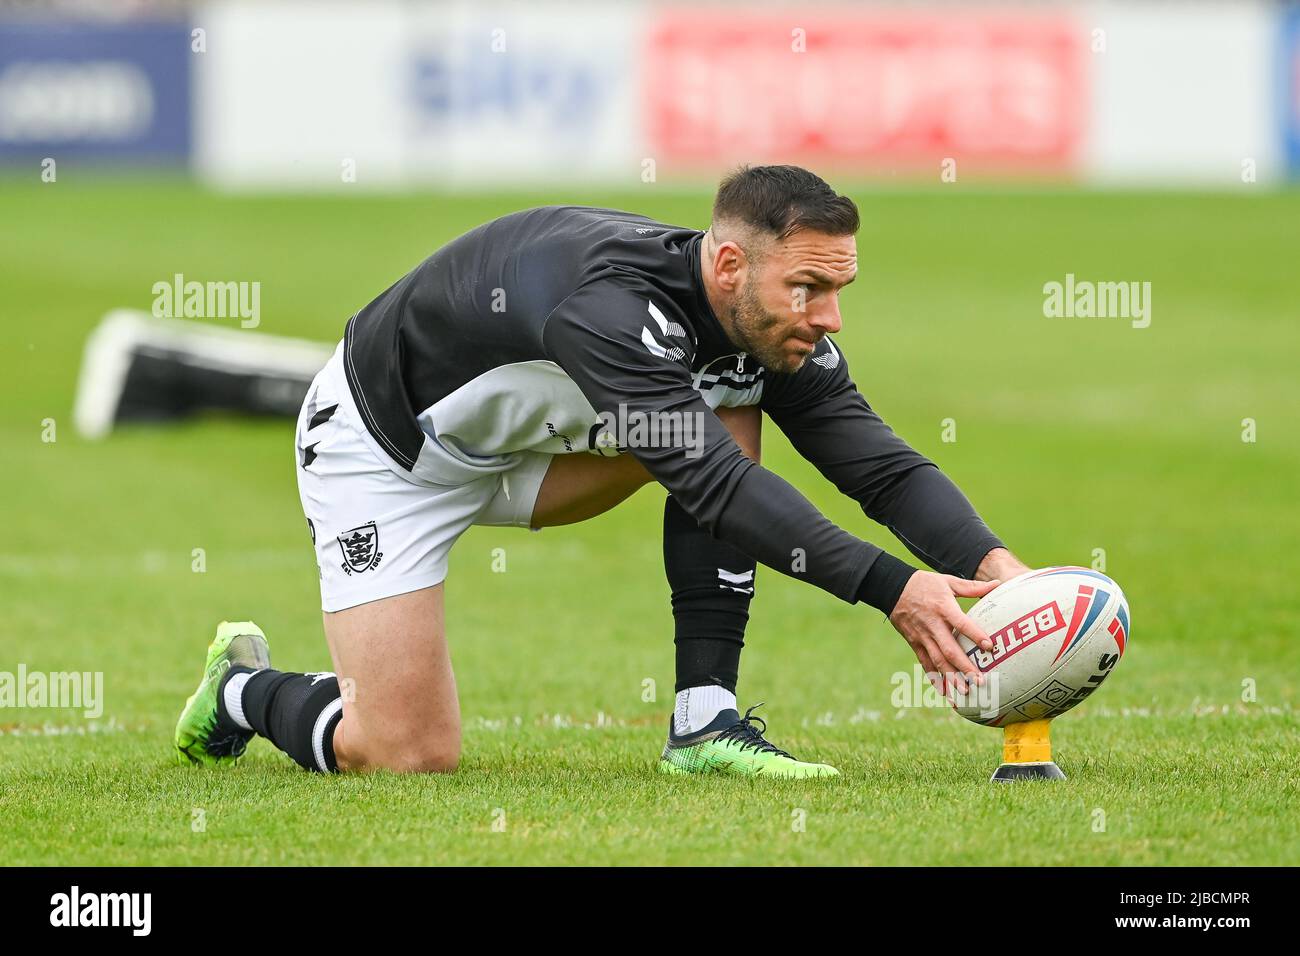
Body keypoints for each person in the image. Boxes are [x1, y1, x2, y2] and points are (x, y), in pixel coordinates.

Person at [174, 164, 1029, 778]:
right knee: (405, 753)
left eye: (840, 289)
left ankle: (704, 723)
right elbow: (717, 486)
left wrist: (1006, 572)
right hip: (386, 455)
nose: (830, 316)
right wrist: (894, 588)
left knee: (727, 396)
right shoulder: (612, 310)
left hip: (535, 448)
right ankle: (244, 688)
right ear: (730, 265)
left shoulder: (757, 319)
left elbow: (875, 463)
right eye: (809, 287)